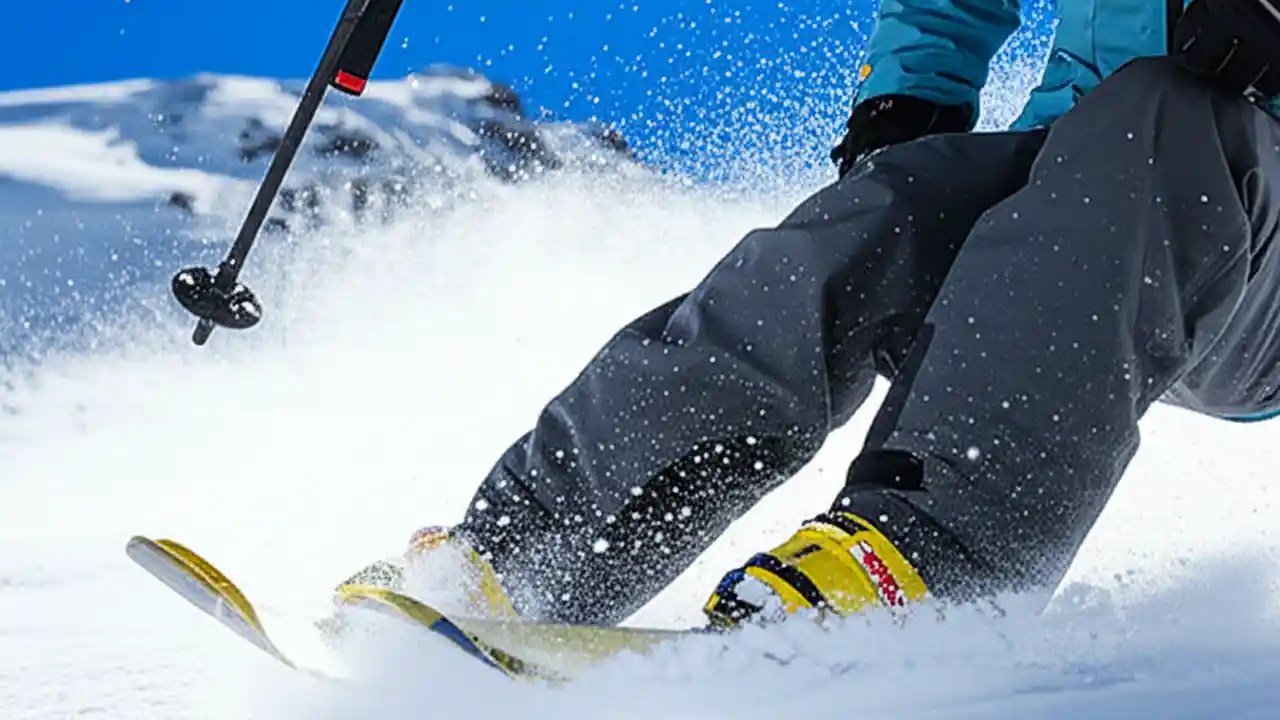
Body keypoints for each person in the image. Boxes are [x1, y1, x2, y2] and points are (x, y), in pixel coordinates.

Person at [349, 0, 1280, 628]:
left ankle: (933, 567)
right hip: (1082, 190)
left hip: (1248, 211)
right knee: (888, 210)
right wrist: (909, 99)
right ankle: (532, 557)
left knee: (1160, 112)